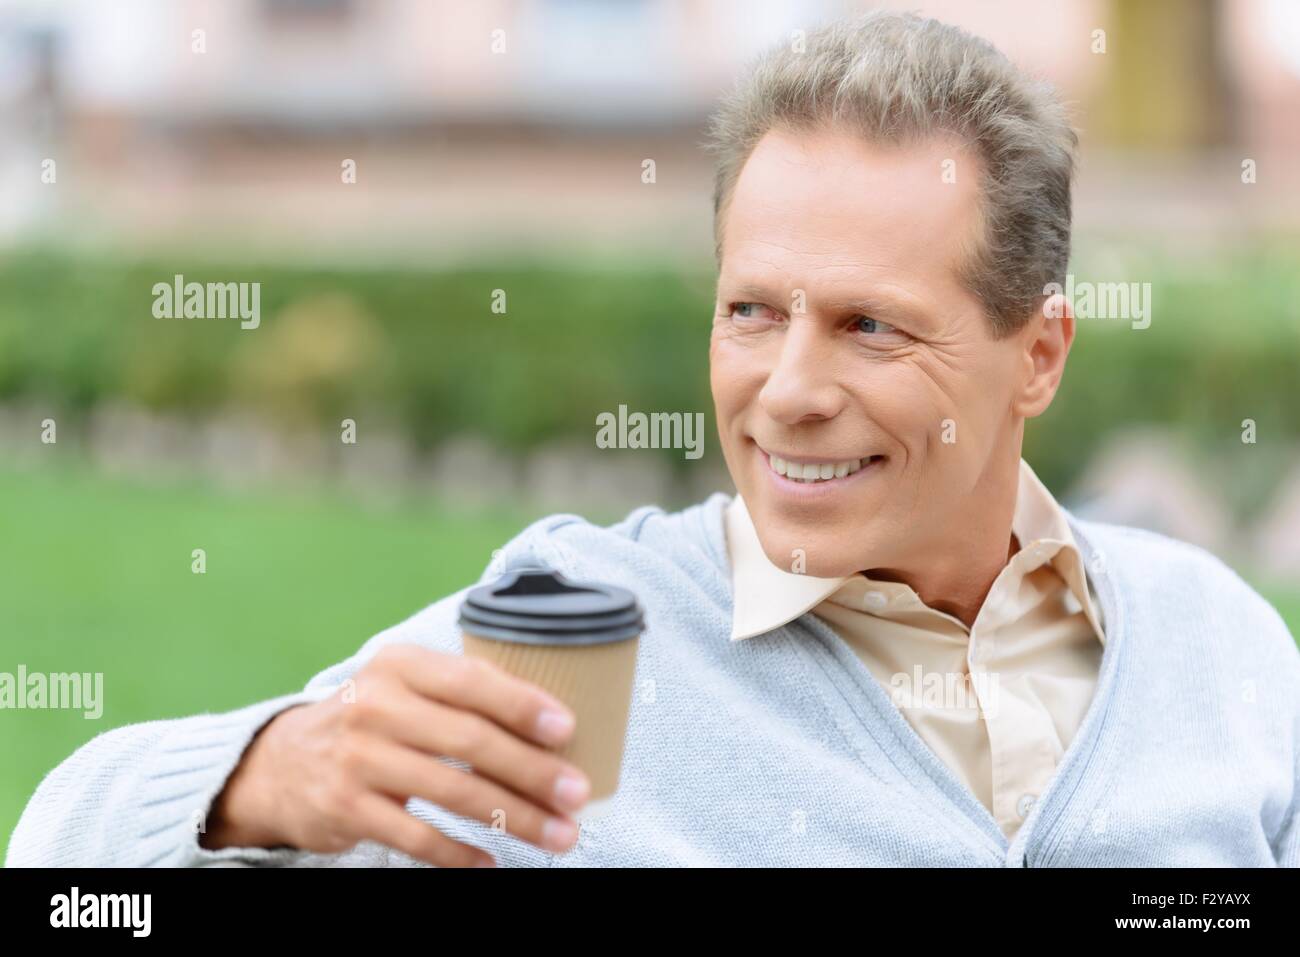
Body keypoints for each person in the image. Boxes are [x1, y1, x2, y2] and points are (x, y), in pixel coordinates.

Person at [8, 10, 1297, 868]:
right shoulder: (576, 640)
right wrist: (248, 783)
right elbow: (56, 871)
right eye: (751, 312)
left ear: (1040, 355)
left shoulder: (1219, 645)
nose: (786, 388)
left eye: (869, 328)